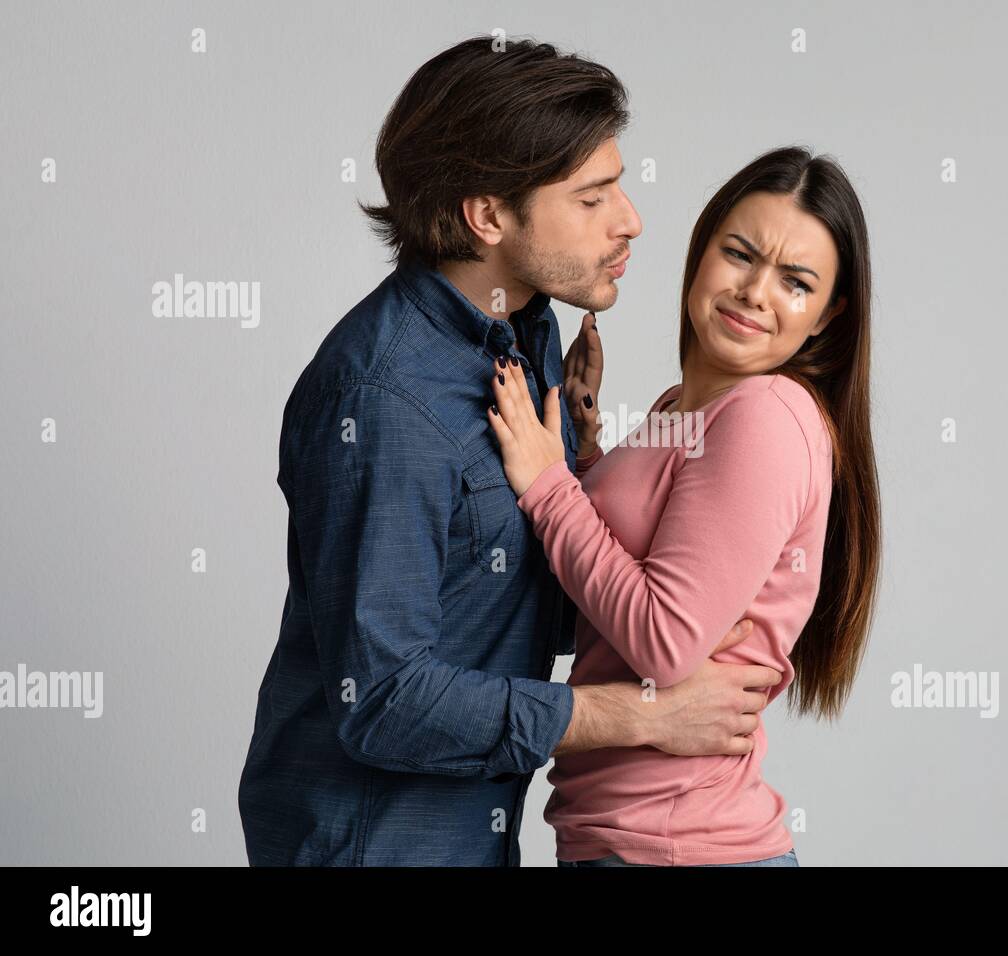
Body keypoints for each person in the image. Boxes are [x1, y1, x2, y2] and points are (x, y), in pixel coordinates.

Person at [236, 36, 778, 867]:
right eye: (594, 197)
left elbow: (506, 601)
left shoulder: (524, 336)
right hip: (371, 846)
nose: (630, 220)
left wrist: (604, 491)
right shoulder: (382, 403)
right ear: (487, 216)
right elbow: (382, 697)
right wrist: (640, 715)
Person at [487, 146, 883, 866]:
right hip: (629, 842)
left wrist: (548, 488)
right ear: (702, 251)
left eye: (796, 282)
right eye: (740, 254)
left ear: (828, 315)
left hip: (684, 849)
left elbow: (663, 639)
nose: (756, 291)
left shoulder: (765, 415)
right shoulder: (685, 407)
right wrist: (582, 453)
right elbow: (613, 597)